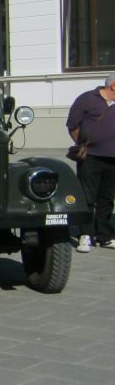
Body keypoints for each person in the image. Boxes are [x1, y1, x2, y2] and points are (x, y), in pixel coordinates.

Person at [66, 72, 115, 253]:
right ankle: (85, 235)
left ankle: (105, 235)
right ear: (113, 86)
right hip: (91, 157)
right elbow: (73, 125)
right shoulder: (87, 99)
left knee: (107, 198)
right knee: (87, 197)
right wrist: (83, 145)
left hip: (113, 159)